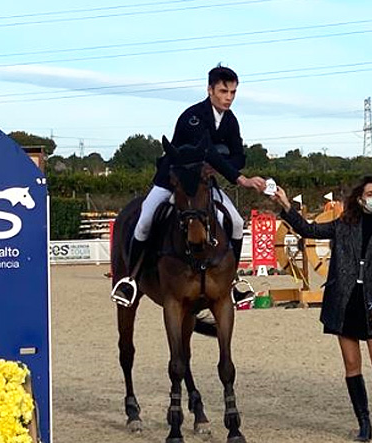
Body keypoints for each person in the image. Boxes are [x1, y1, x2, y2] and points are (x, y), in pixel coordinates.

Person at [112, 65, 266, 307]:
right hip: (172, 180)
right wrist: (240, 179)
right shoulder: (193, 117)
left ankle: (232, 281)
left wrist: (222, 167)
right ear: (210, 90)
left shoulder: (230, 120)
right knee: (144, 220)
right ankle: (130, 280)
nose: (228, 98)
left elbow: (239, 156)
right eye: (223, 91)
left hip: (202, 184)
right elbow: (207, 151)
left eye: (233, 92)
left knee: (236, 222)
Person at [271, 176, 372, 443]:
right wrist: (286, 205)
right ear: (360, 198)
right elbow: (309, 230)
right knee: (352, 364)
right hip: (344, 299)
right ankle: (364, 424)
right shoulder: (344, 224)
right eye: (370, 193)